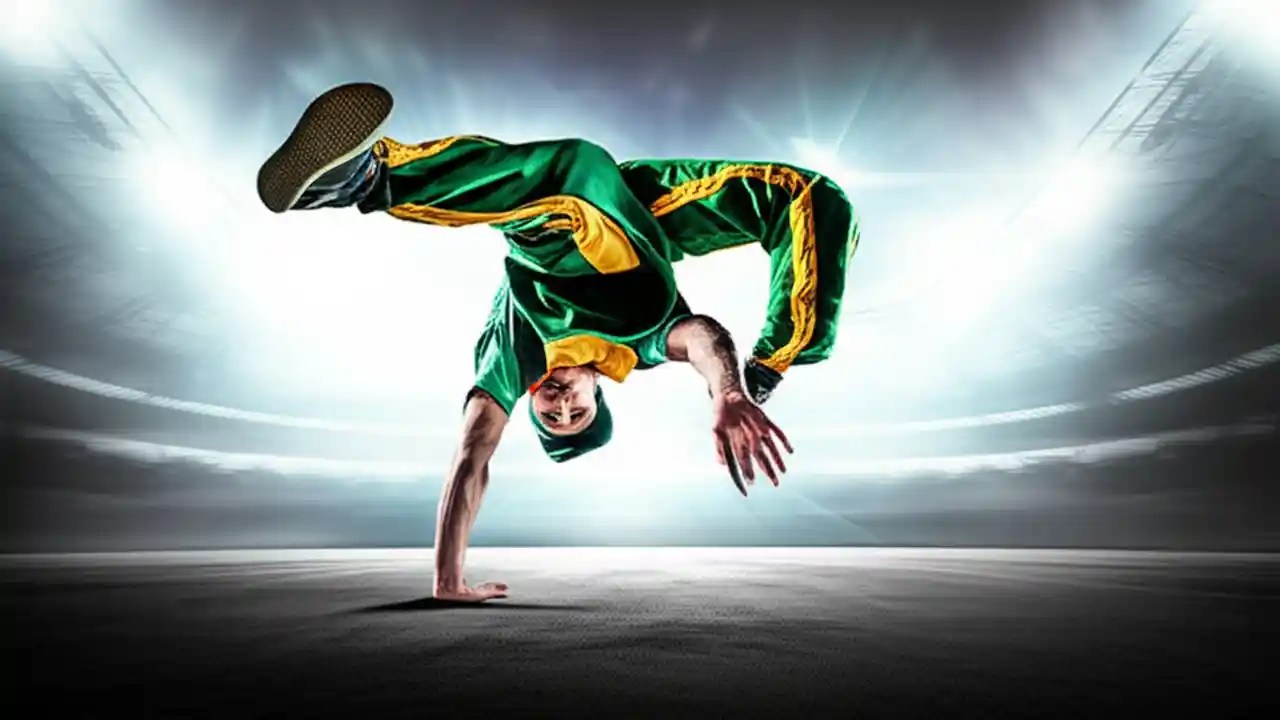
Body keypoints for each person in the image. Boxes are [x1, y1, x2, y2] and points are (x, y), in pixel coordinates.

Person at [257, 83, 859, 601]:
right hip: (635, 219)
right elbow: (701, 336)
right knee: (814, 198)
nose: (562, 402)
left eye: (553, 416)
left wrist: (448, 579)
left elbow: (473, 457)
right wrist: (734, 390)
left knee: (551, 187)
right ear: (601, 392)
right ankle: (782, 359)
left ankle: (361, 178)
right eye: (579, 412)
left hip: (562, 213)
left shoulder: (514, 354)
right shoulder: (636, 348)